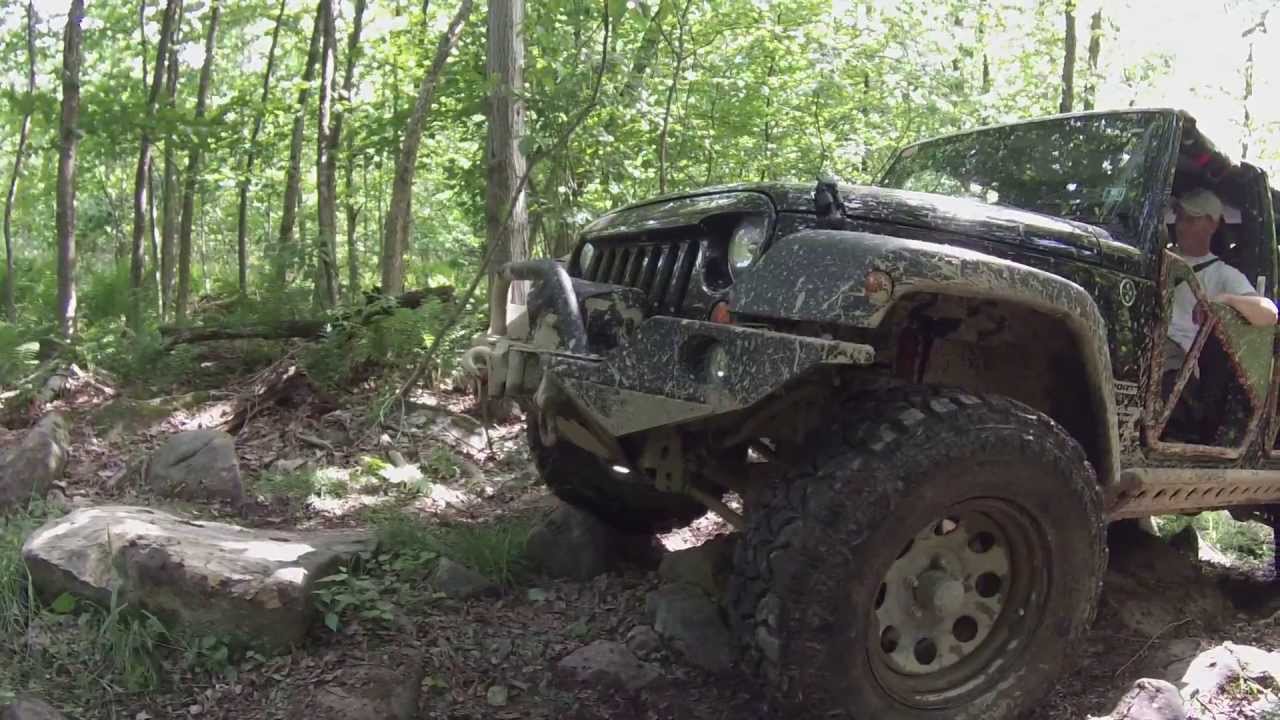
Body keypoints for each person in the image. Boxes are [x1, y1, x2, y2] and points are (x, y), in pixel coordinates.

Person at [1162, 188, 1277, 439]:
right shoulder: (1159, 257)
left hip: (1176, 367)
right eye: (1179, 217)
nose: (1181, 226)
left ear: (1212, 224)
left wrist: (1223, 300)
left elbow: (1269, 313)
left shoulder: (1222, 274)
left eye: (1191, 219)